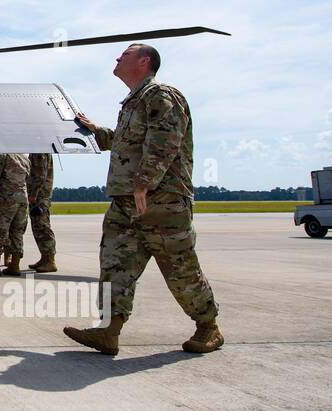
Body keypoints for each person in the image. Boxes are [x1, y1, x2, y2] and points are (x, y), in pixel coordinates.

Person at [63, 43, 223, 355]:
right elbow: (126, 143)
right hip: (125, 204)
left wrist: (144, 183)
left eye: (124, 54)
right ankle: (109, 330)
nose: (117, 58)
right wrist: (96, 130)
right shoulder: (132, 103)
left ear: (143, 61)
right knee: (115, 265)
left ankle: (208, 326)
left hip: (160, 202)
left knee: (180, 269)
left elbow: (165, 140)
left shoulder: (161, 95)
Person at [27, 153, 57, 272]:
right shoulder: (37, 150)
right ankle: (44, 258)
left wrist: (34, 193)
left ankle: (50, 260)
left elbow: (40, 176)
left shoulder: (39, 151)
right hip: (38, 196)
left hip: (40, 197)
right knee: (37, 227)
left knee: (43, 227)